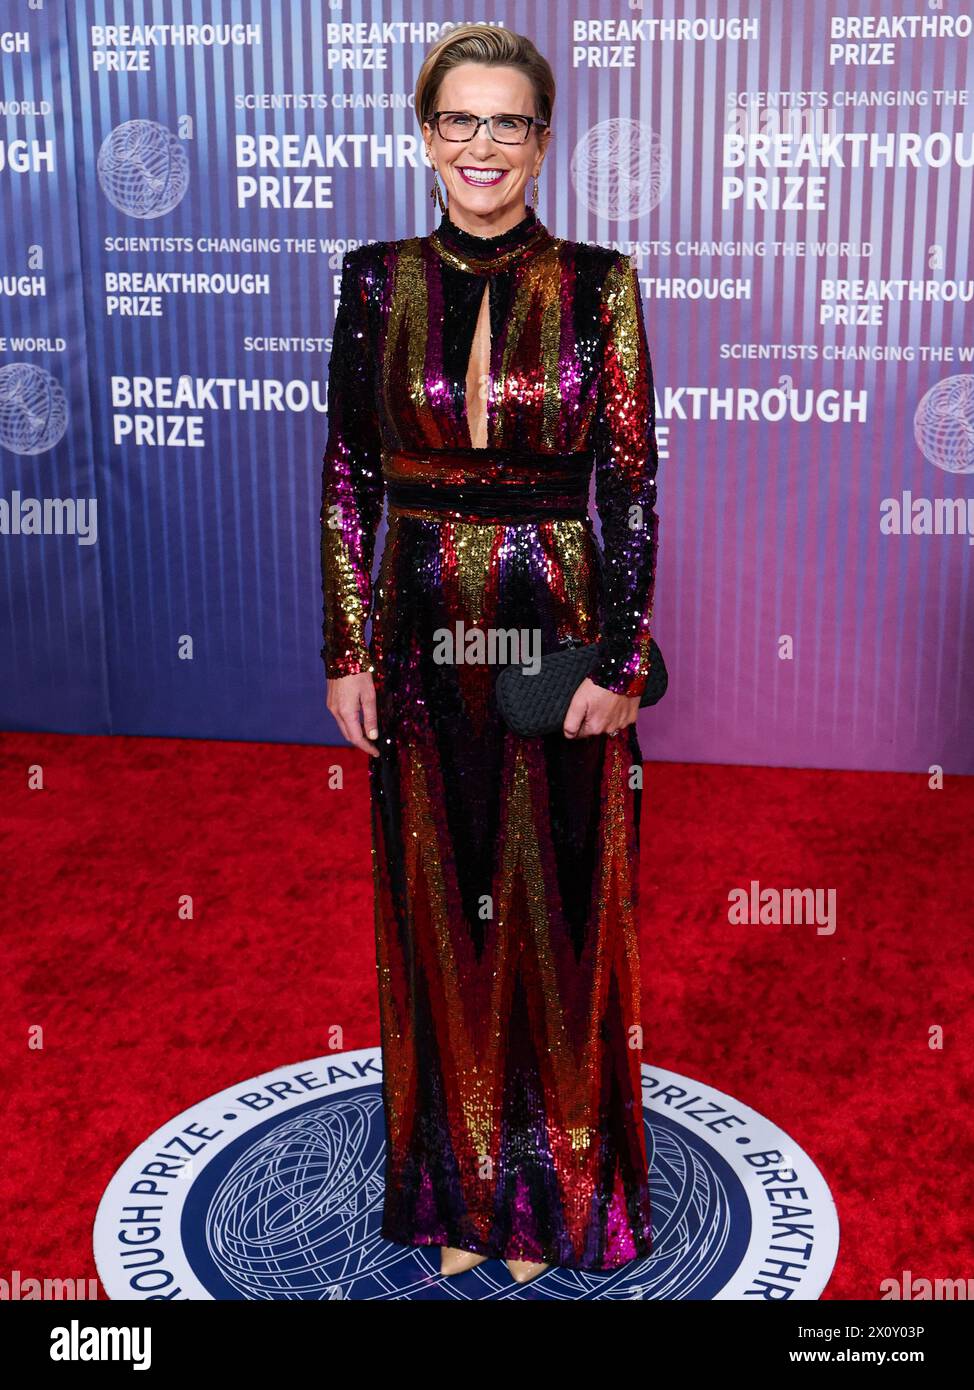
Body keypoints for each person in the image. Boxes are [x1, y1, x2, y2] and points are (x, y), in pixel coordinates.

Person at [320, 23, 659, 1285]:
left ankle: (560, 1197)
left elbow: (626, 483)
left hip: (547, 618)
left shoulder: (601, 281)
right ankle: (455, 1196)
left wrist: (616, 661)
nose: (480, 146)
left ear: (541, 139)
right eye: (456, 120)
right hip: (414, 624)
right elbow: (352, 474)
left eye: (506, 122)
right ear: (424, 134)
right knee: (433, 892)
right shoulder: (370, 278)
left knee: (556, 894)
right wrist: (347, 642)